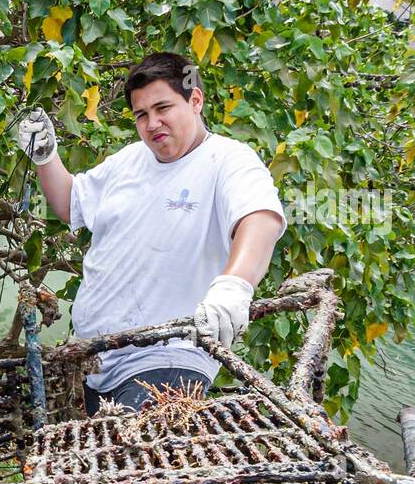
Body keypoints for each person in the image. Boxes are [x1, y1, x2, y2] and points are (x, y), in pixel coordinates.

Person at [16, 52, 285, 412]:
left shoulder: (229, 160)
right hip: (98, 362)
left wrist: (235, 284)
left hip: (171, 360)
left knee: (128, 458)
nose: (152, 123)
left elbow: (259, 218)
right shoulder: (128, 160)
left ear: (195, 101)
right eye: (142, 114)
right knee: (103, 461)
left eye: (163, 108)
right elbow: (69, 204)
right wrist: (46, 156)